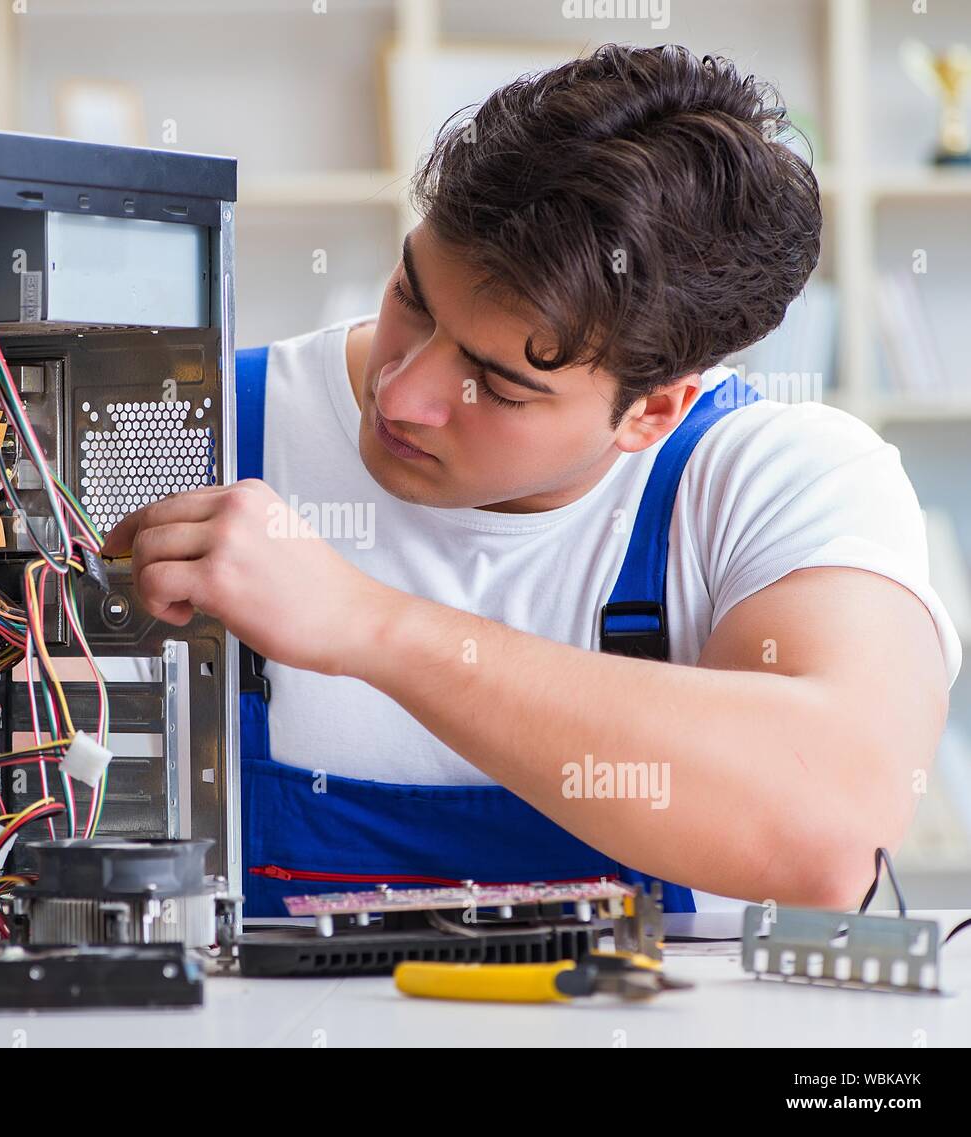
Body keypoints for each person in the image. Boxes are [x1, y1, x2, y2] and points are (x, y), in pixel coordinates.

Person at [101, 44, 961, 916]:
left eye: (500, 383)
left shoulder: (778, 479)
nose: (400, 391)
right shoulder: (190, 429)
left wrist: (367, 624)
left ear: (650, 413)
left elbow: (836, 839)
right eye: (413, 297)